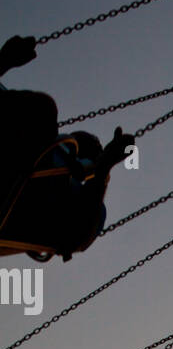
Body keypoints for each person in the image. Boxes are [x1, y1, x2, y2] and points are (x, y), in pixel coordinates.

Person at [0, 34, 132, 261]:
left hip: (19, 203)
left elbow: (78, 238)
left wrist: (102, 171)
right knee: (41, 110)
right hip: (14, 171)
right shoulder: (41, 145)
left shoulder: (84, 201)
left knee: (42, 108)